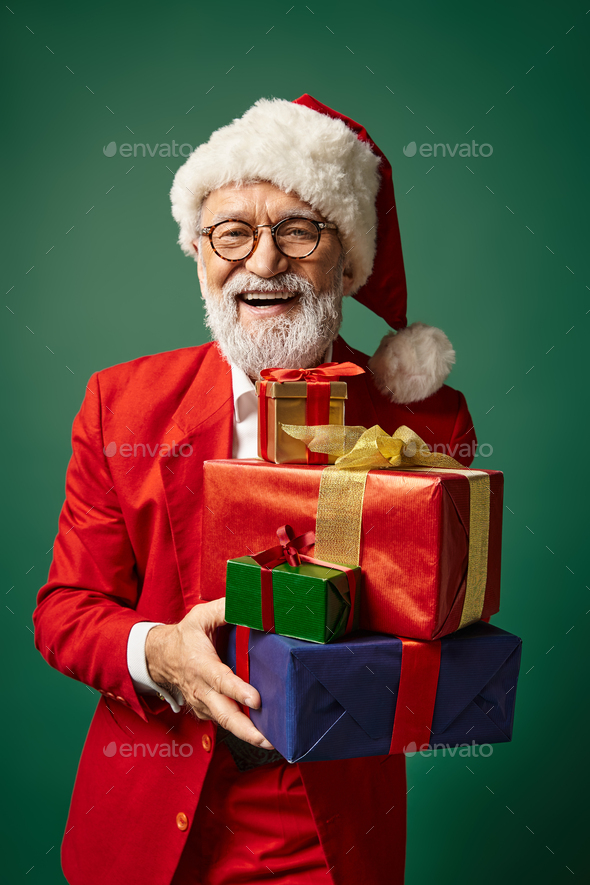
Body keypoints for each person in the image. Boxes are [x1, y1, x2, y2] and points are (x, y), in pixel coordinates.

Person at [34, 94, 477, 885]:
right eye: (232, 232)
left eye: (299, 230)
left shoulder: (424, 425)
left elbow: (448, 624)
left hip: (329, 832)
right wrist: (158, 650)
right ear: (199, 254)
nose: (263, 262)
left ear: (347, 259)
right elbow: (66, 608)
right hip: (149, 819)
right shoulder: (122, 405)